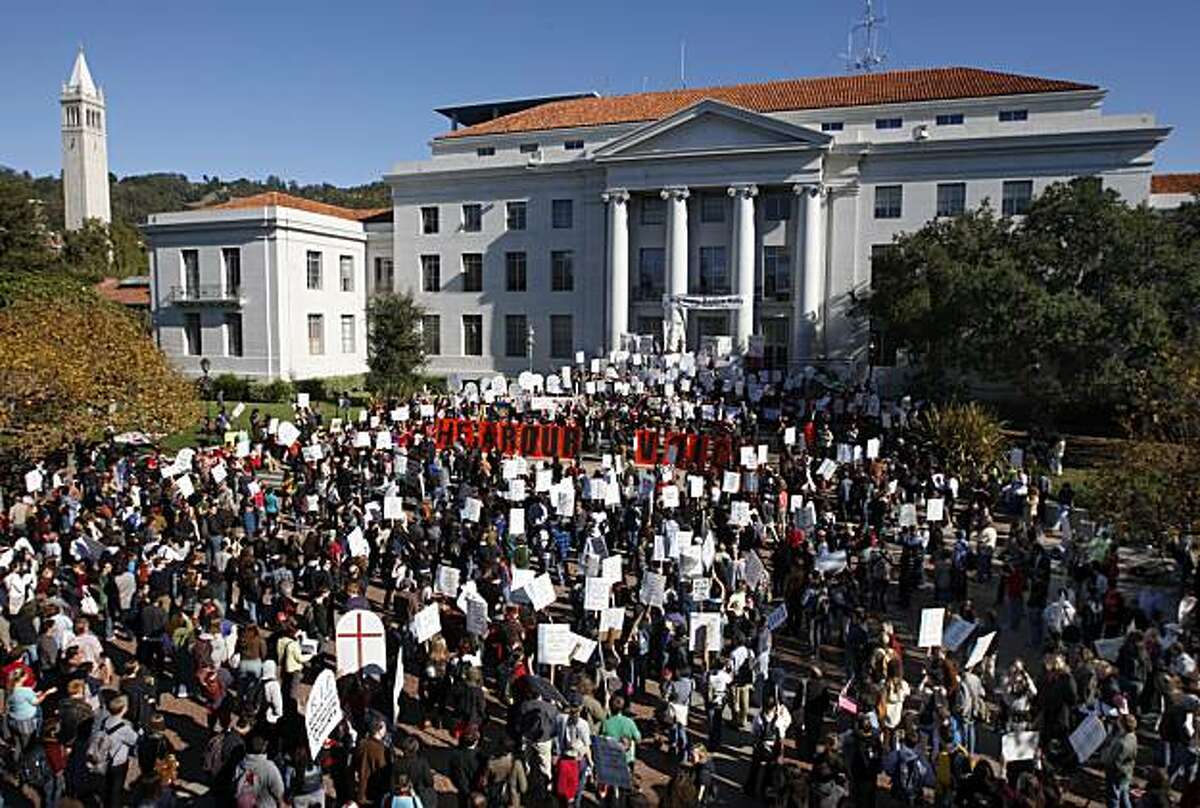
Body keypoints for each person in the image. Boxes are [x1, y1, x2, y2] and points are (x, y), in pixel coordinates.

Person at [1102, 714, 1138, 808]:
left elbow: (1111, 760)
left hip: (1115, 773)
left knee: (1113, 797)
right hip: (1127, 772)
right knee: (1124, 795)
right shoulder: (1133, 736)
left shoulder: (1121, 743)